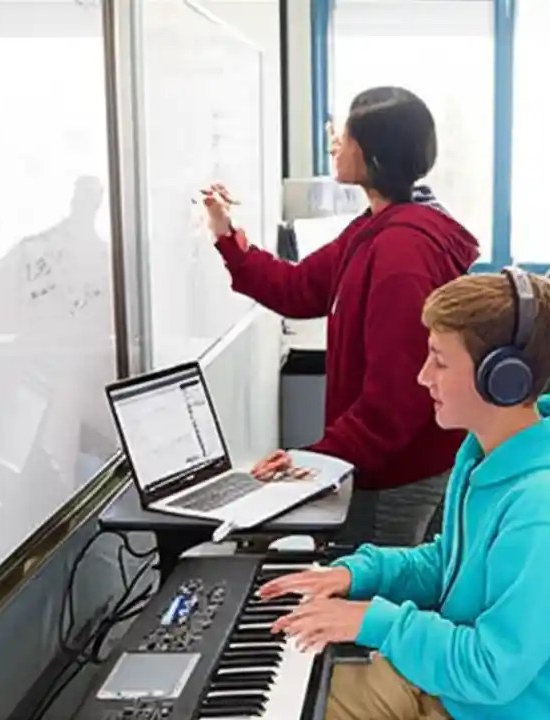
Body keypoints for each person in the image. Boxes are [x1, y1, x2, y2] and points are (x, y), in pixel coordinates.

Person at [257, 271, 550, 720]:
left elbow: (492, 668)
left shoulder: (549, 508)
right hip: (463, 694)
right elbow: (447, 563)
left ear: (502, 378)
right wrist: (357, 575)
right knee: (296, 701)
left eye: (440, 361)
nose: (422, 376)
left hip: (506, 706)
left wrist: (374, 621)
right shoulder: (486, 457)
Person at [203, 86, 480, 546]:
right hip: (386, 463)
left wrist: (314, 461)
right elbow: (297, 289)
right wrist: (226, 236)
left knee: (369, 599)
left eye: (345, 134)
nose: (335, 142)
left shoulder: (401, 253)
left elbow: (397, 397)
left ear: (373, 155)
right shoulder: (375, 228)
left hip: (397, 475)